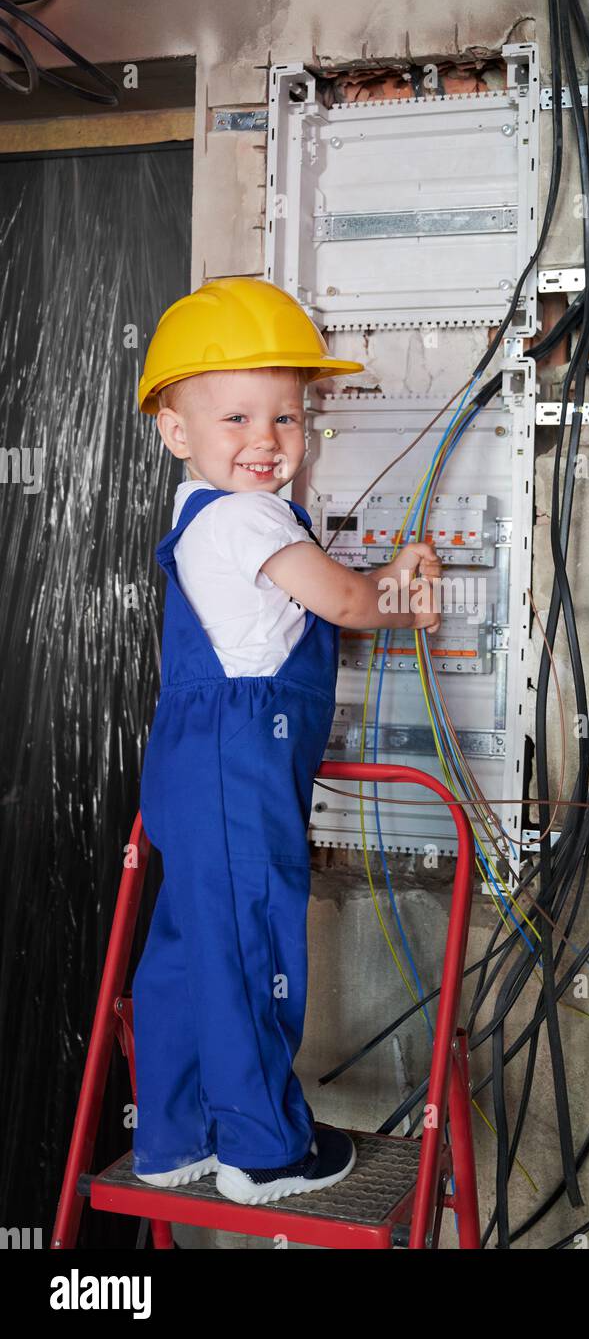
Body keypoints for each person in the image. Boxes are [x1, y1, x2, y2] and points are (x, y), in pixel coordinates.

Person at [131, 276, 441, 1205]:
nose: (265, 441)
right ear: (176, 432)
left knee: (191, 948)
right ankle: (262, 1149)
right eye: (235, 417)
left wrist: (387, 581)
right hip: (239, 761)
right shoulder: (249, 516)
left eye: (288, 418)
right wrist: (401, 587)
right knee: (252, 944)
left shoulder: (203, 518)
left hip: (193, 763)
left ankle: (173, 1136)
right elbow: (344, 603)